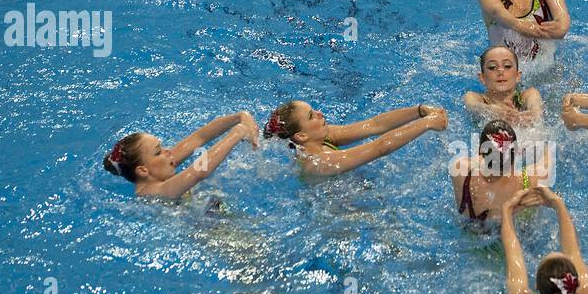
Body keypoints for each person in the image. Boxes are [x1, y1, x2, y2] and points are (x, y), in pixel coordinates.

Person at [263, 100, 447, 176]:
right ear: (301, 136)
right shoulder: (318, 162)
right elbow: (379, 148)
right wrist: (427, 124)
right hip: (345, 217)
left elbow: (375, 125)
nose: (319, 113)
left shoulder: (323, 137)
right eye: (312, 116)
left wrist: (419, 111)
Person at [103, 111, 258, 198]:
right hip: (213, 234)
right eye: (159, 151)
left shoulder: (157, 169)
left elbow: (200, 137)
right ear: (143, 170)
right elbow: (199, 172)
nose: (169, 151)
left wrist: (239, 117)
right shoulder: (153, 193)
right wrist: (237, 133)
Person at [500, 186, 588, 294]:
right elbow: (573, 252)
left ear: (537, 286)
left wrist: (507, 209)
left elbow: (513, 254)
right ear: (576, 283)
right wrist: (558, 203)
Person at [452, 119, 551, 223]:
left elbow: (480, 158)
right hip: (506, 236)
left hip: (468, 231)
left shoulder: (460, 168)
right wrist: (546, 144)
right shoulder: (525, 183)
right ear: (516, 153)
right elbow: (547, 162)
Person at [463, 45, 542, 125]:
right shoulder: (474, 97)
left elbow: (536, 110)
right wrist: (491, 110)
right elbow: (473, 106)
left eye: (507, 66)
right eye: (492, 67)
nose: (500, 72)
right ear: (482, 78)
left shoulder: (528, 95)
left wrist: (529, 117)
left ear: (518, 76)